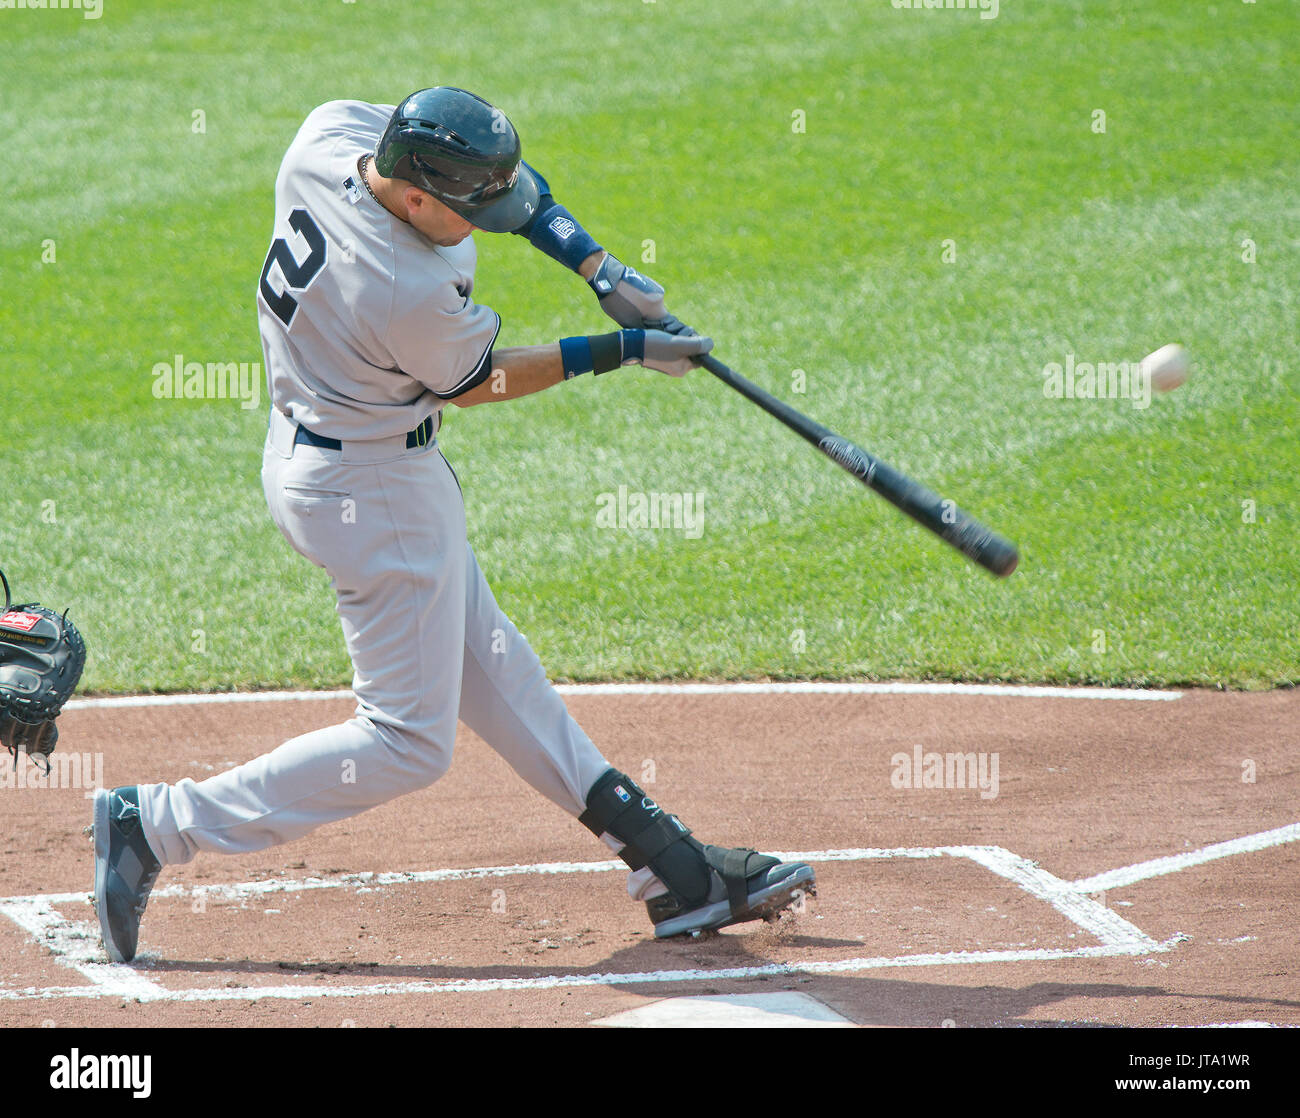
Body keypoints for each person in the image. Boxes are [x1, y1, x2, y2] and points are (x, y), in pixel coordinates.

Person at [92, 87, 815, 964]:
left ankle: (673, 867)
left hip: (315, 449)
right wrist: (619, 350)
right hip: (374, 491)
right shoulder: (405, 286)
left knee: (495, 665)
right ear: (416, 199)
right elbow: (480, 383)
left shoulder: (327, 139)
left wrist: (598, 268)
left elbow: (508, 190)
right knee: (405, 742)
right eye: (467, 209)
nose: (484, 223)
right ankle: (155, 825)